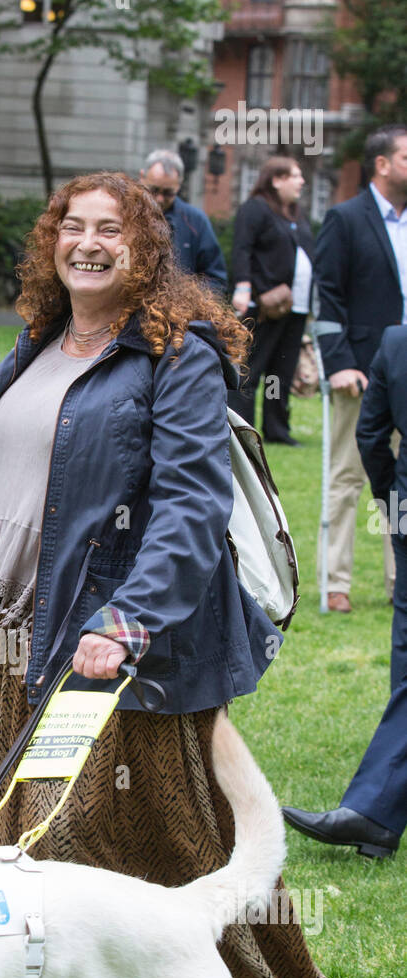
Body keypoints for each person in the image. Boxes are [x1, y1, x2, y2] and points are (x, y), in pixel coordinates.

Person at [0, 172, 353, 978]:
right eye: (71, 227)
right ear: (50, 244)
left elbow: (193, 504)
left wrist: (127, 621)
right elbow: (27, 462)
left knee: (92, 836)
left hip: (118, 642)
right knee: (65, 838)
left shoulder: (177, 351)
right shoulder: (38, 341)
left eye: (111, 229)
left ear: (147, 247)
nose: (87, 242)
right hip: (32, 627)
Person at [283, 324, 407, 857]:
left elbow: (372, 438)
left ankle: (378, 812)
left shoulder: (396, 342)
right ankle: (380, 810)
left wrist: (391, 499)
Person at [313, 125, 407, 613]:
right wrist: (340, 364)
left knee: (405, 479)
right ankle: (336, 582)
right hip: (363, 372)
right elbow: (325, 297)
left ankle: (401, 582)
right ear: (382, 165)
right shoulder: (345, 220)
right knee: (349, 476)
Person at [229, 156, 315, 448]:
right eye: (295, 176)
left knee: (281, 372)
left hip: (295, 308)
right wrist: (243, 287)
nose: (301, 181)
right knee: (251, 369)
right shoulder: (255, 209)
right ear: (276, 180)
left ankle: (277, 428)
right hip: (264, 307)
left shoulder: (293, 214)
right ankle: (244, 428)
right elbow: (242, 249)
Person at [139, 149, 228, 294]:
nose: (159, 199)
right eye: (154, 190)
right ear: (142, 177)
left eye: (168, 193)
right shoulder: (124, 214)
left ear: (179, 185)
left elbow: (216, 280)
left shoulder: (196, 221)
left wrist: (189, 299)